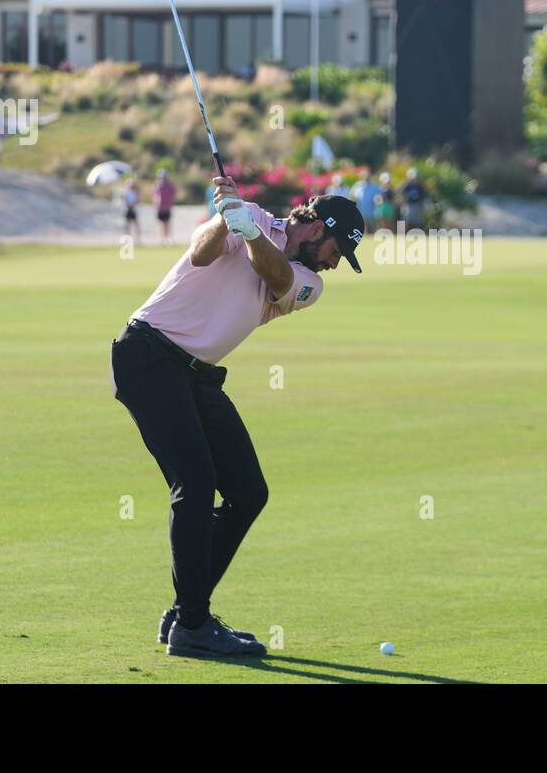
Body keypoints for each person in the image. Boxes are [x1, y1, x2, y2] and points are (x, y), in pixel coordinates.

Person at [111, 177, 366, 659]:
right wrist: (227, 214)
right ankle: (193, 624)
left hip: (196, 375)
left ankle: (187, 614)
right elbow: (202, 253)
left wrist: (249, 233)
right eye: (338, 250)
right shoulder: (247, 215)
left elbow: (279, 280)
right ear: (316, 230)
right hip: (147, 355)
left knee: (248, 491)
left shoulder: (309, 283)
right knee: (195, 481)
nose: (335, 263)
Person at [153, 169, 177, 245]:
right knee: (162, 223)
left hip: (167, 207)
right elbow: (155, 195)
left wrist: (171, 202)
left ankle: (169, 239)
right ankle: (163, 239)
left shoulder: (170, 185)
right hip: (160, 207)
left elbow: (174, 194)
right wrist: (155, 204)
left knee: (167, 223)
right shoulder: (157, 185)